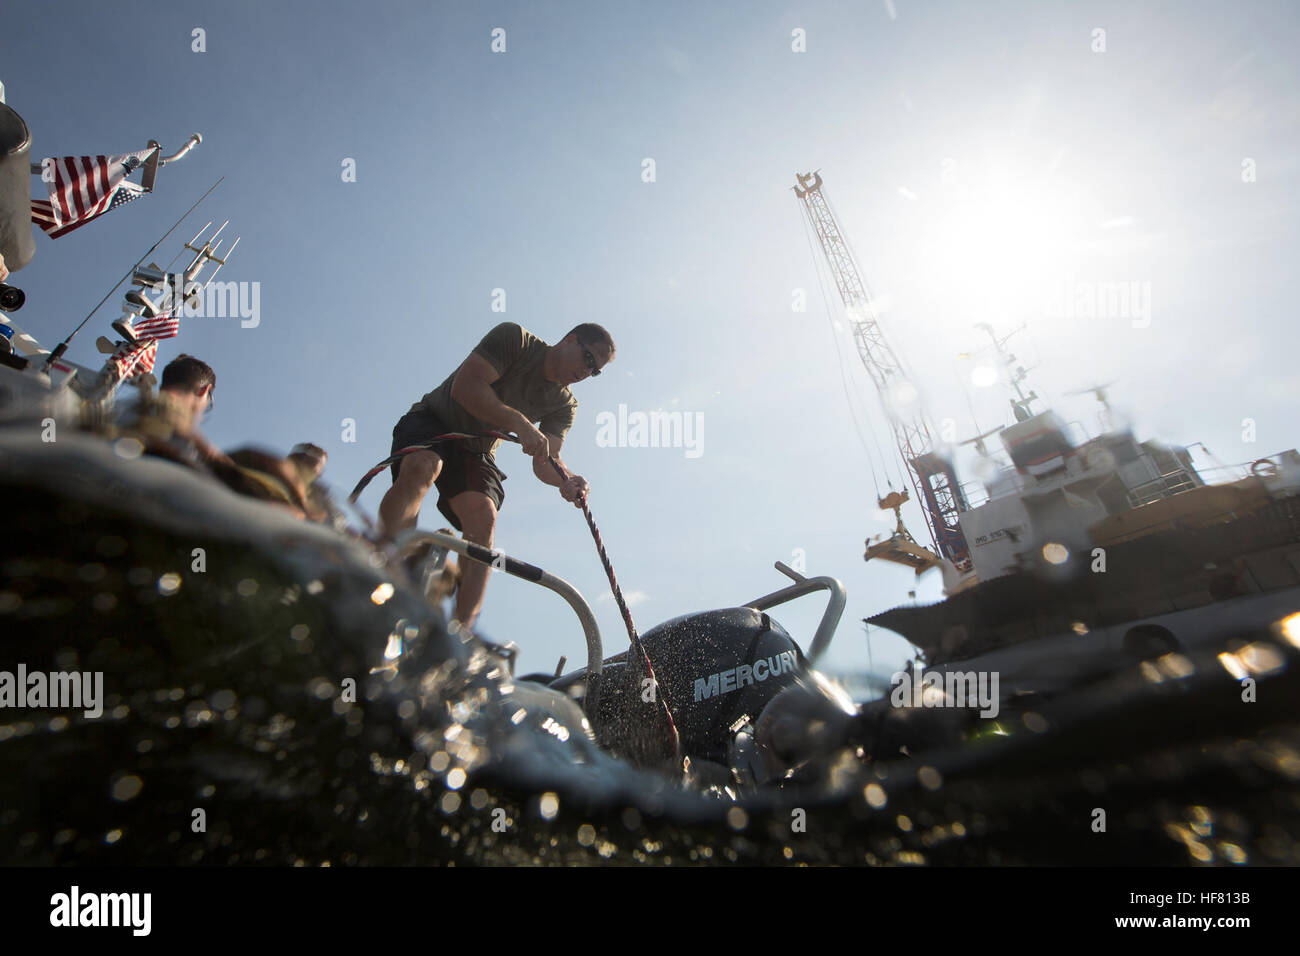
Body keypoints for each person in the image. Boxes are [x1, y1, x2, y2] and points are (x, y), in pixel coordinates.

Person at [379, 321, 614, 629]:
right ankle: (382, 568)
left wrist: (567, 480)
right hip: (433, 420)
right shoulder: (515, 339)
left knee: (484, 516)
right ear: (570, 340)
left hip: (476, 449)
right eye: (588, 358)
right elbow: (466, 387)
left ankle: (460, 637)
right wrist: (519, 422)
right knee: (424, 466)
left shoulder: (565, 405)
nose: (587, 372)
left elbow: (547, 460)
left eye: (595, 371)